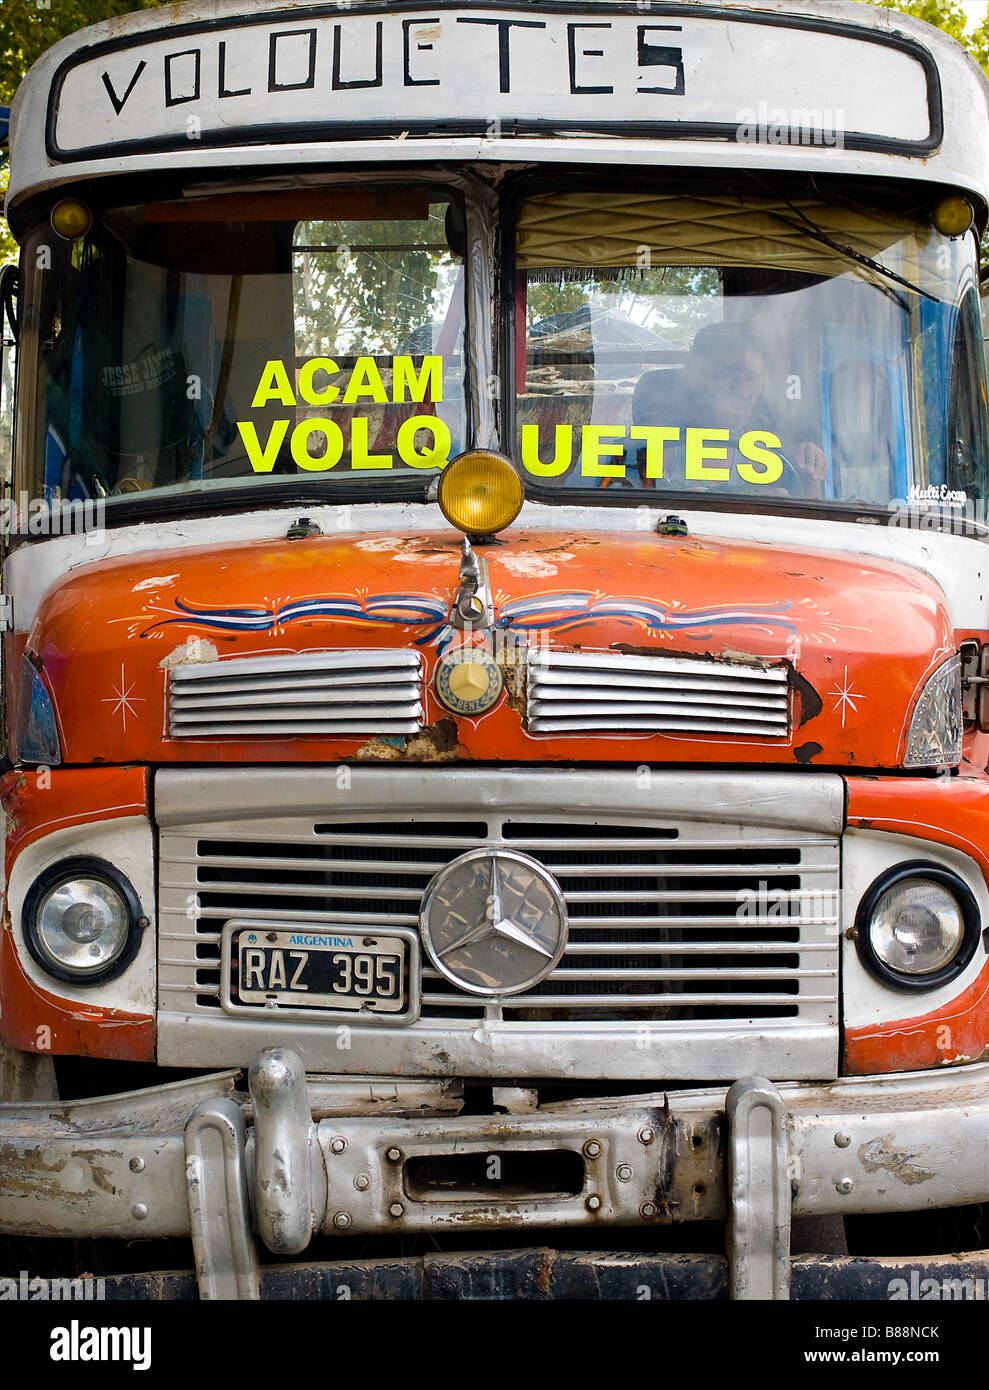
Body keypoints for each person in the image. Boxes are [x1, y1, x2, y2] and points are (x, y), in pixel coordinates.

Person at [631, 322, 829, 498]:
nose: (743, 391)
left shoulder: (765, 455)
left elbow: (814, 527)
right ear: (698, 376)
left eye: (752, 377)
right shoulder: (666, 443)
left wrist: (809, 472)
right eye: (728, 373)